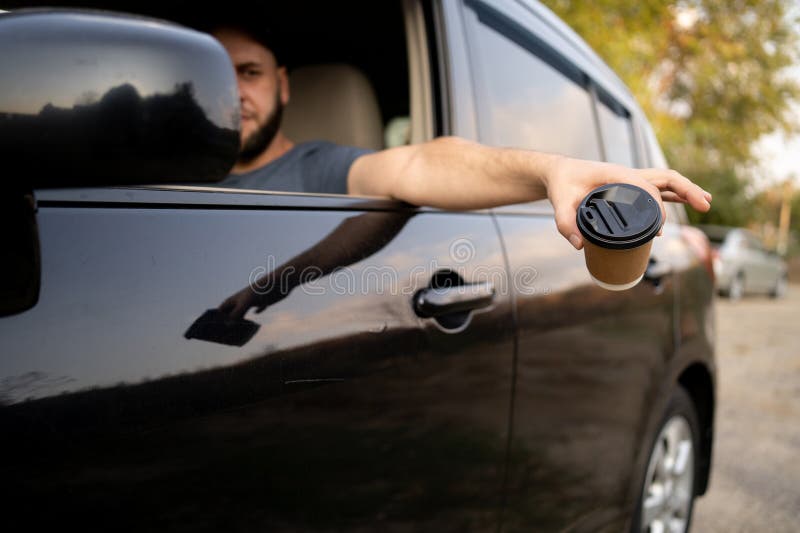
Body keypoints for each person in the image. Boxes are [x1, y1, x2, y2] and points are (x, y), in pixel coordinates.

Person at [212, 26, 712, 251]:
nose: (232, 91)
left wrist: (551, 170)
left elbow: (421, 166)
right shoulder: (155, 166)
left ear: (281, 85)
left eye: (248, 72)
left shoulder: (317, 167)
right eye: (215, 72)